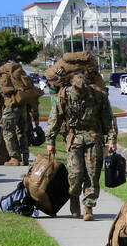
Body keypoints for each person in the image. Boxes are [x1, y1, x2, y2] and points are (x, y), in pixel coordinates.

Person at [46, 73, 117, 221]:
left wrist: (112, 140)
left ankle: (88, 207)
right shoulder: (65, 96)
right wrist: (50, 141)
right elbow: (55, 118)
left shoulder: (99, 96)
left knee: (92, 175)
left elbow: (109, 120)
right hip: (73, 139)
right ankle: (74, 198)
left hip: (94, 138)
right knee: (75, 174)